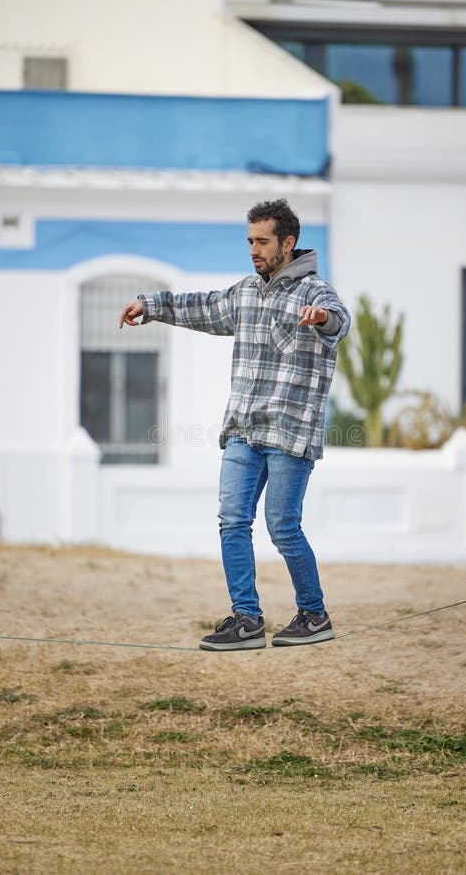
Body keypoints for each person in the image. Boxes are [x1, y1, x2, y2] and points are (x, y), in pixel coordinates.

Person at [119, 198, 350, 651]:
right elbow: (201, 307)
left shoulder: (316, 292)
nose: (254, 249)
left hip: (289, 432)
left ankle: (314, 614)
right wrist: (150, 304)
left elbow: (339, 323)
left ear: (288, 242)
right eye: (250, 241)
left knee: (283, 526)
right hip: (244, 429)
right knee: (231, 521)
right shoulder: (246, 292)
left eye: (262, 241)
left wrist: (321, 319)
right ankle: (246, 620)